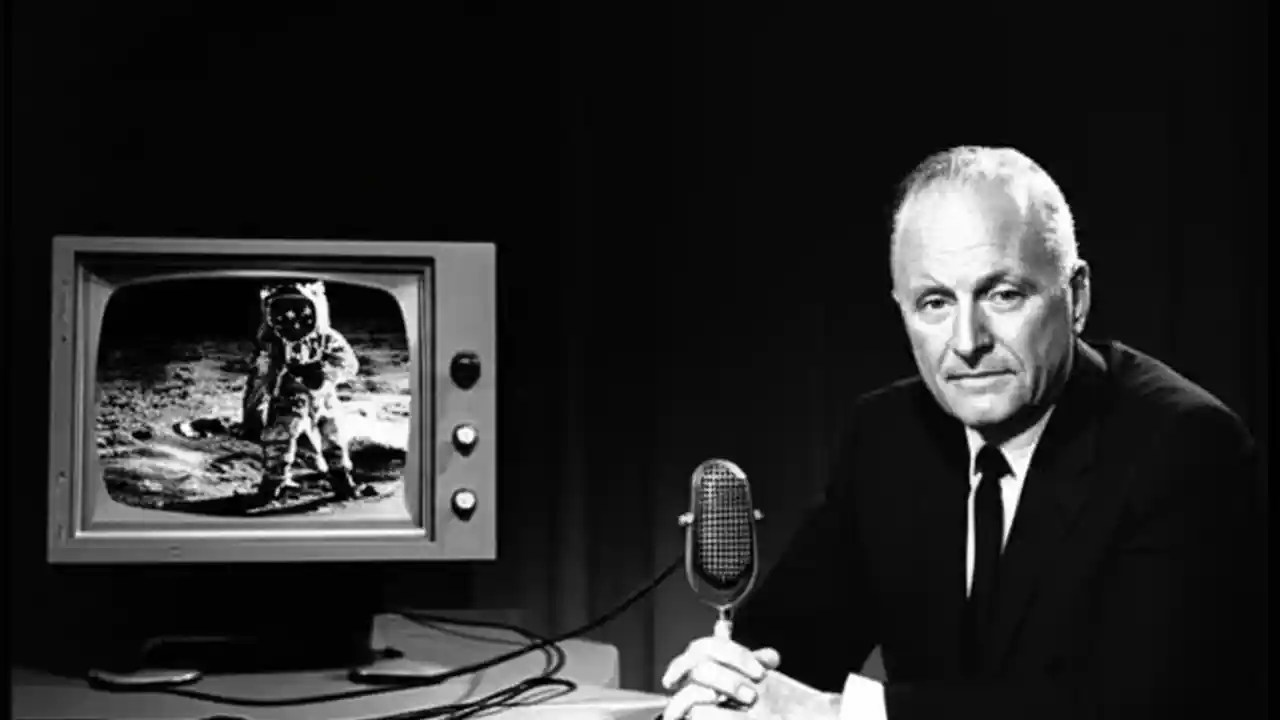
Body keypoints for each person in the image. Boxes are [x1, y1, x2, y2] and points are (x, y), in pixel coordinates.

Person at [660, 146, 1266, 719]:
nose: (967, 341)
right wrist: (731, 682)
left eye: (1002, 294)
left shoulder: (1184, 445)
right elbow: (790, 641)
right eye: (934, 303)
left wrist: (838, 713)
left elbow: (1127, 708)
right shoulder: (885, 436)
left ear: (1075, 297)